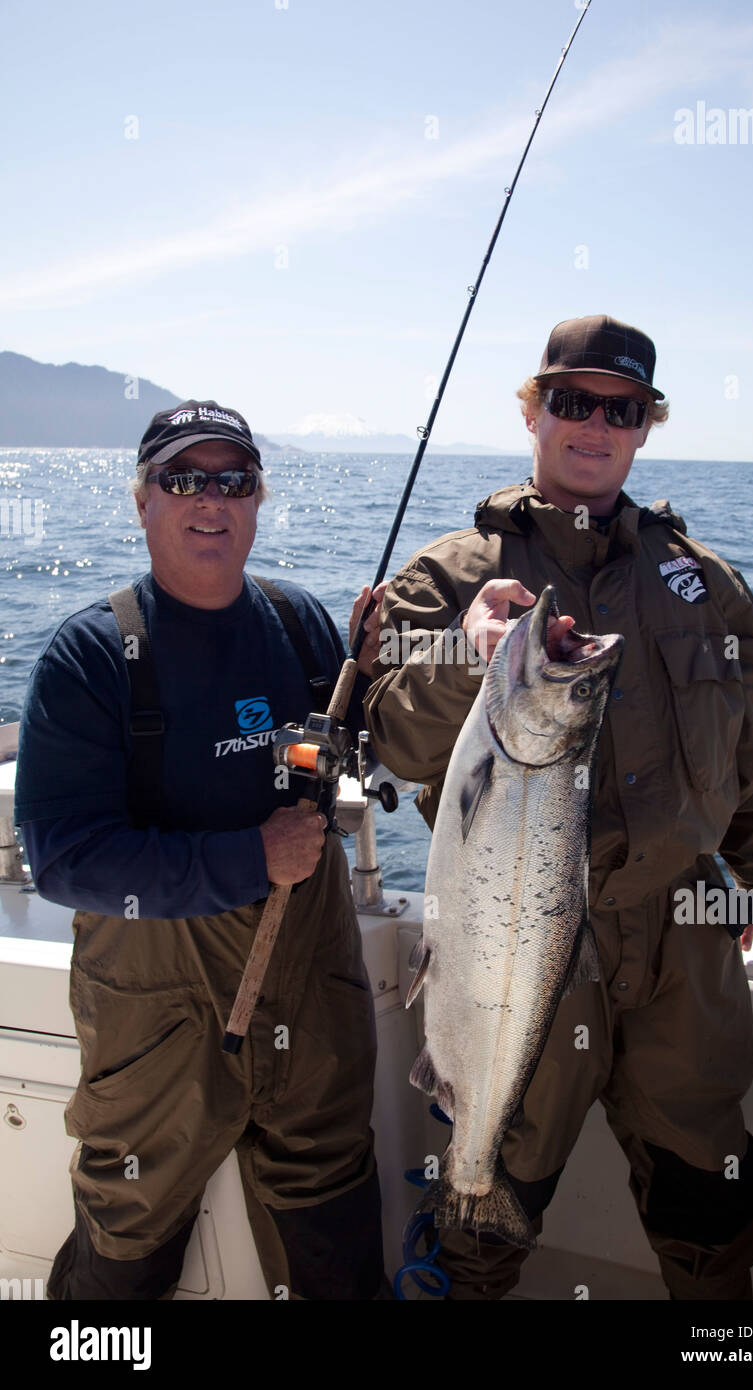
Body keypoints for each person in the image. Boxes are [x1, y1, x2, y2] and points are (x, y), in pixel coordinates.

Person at [363, 314, 753, 1301]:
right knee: (479, 1215)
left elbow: (751, 757)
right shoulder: (450, 575)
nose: (593, 425)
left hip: (678, 949)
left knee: (711, 1213)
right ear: (532, 409)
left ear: (645, 425)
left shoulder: (708, 586)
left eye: (620, 409)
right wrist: (460, 658)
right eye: (571, 401)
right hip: (510, 951)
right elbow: (383, 738)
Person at [14, 399, 387, 1300]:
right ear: (143, 500)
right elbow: (64, 858)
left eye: (233, 478)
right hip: (157, 1026)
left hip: (313, 1004)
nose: (208, 498)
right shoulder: (90, 655)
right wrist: (247, 857)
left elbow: (339, 752)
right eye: (183, 478)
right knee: (125, 1250)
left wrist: (371, 679)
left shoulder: (301, 624)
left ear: (259, 500)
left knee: (337, 1245)